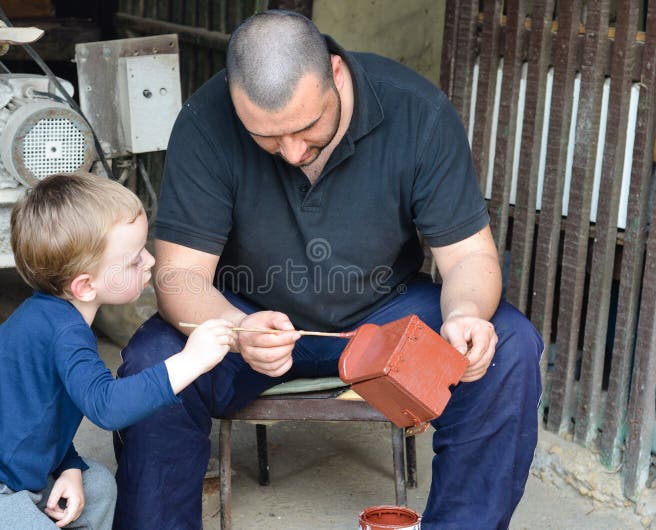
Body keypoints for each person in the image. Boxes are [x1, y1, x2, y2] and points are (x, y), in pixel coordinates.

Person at [113, 10, 543, 529]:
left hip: (385, 320)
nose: (292, 152)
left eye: (307, 127)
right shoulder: (206, 121)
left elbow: (470, 257)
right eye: (267, 138)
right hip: (249, 322)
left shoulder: (417, 111)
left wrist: (466, 314)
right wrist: (238, 327)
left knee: (507, 345)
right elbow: (179, 278)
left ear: (336, 73)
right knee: (151, 363)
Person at [0, 172, 235, 530]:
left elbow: (34, 420)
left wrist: (69, 466)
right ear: (86, 286)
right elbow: (107, 407)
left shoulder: (57, 320)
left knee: (99, 486)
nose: (151, 261)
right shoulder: (60, 334)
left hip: (8, 473)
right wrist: (192, 360)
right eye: (134, 259)